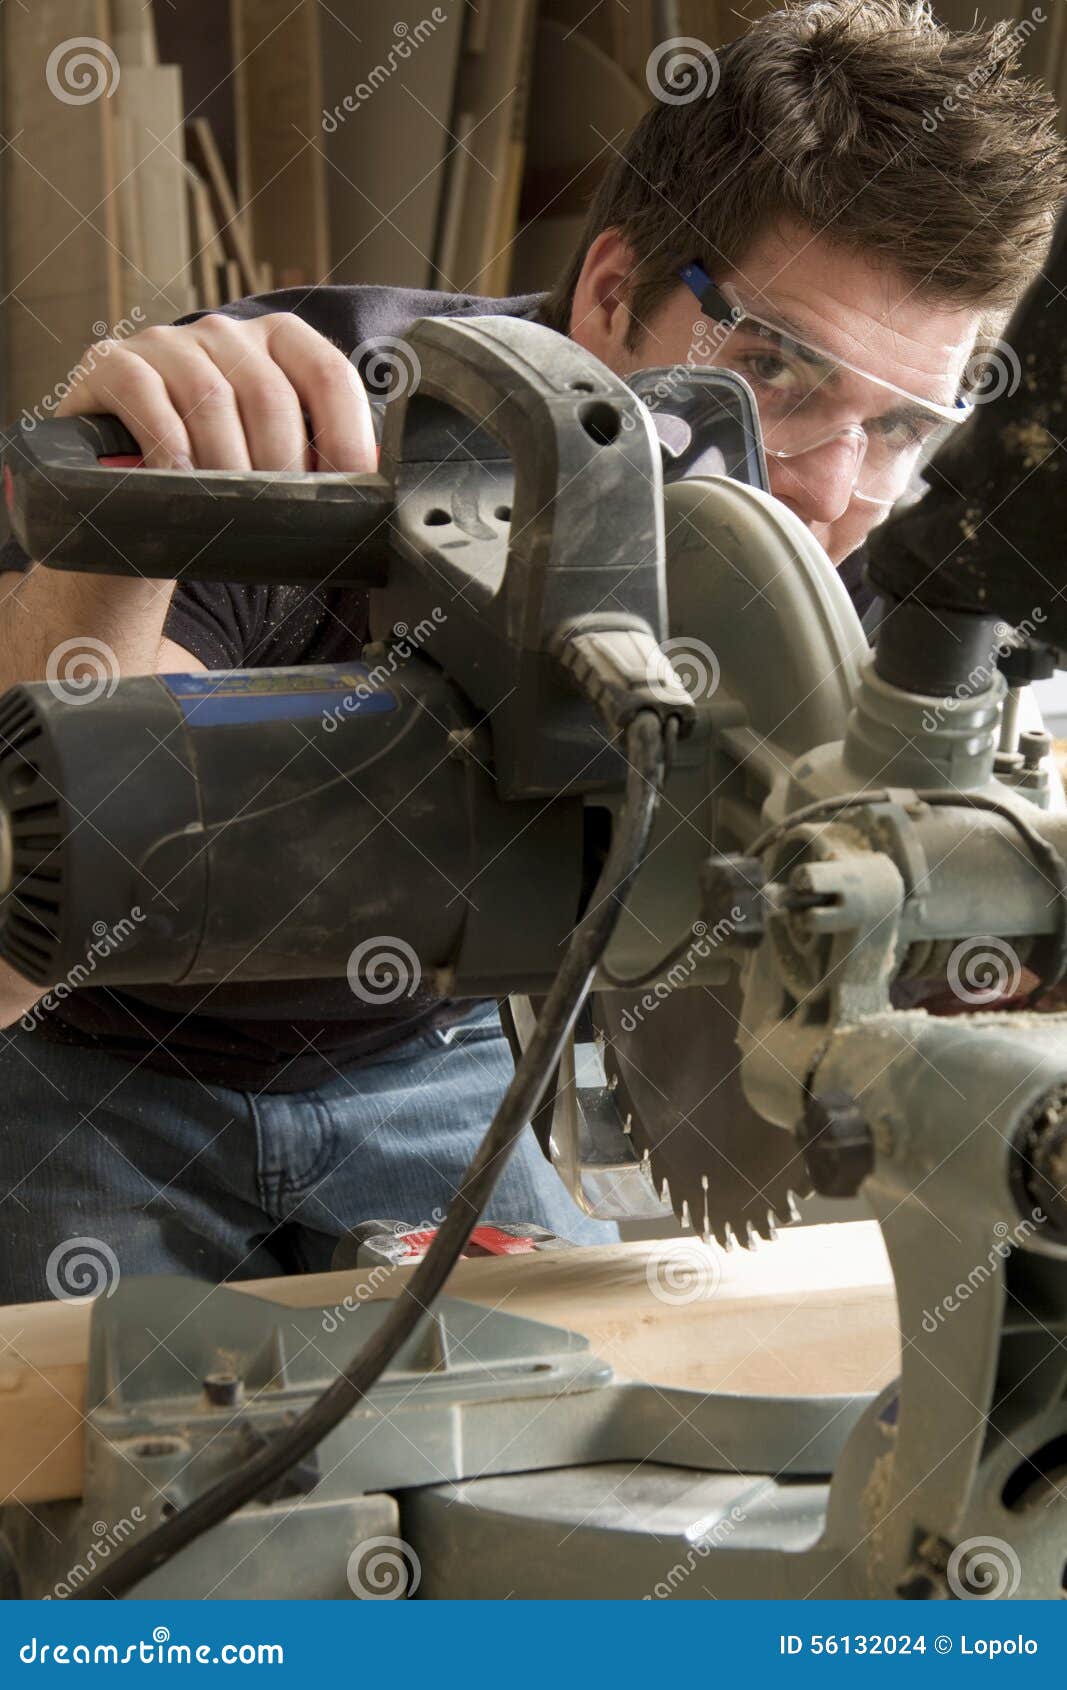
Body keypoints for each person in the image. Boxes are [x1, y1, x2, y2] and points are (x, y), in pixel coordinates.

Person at [0, 0, 1062, 1301]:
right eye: (776, 378)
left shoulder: (883, 549)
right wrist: (118, 539)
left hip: (429, 1051)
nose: (835, 489)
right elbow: (18, 927)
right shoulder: (328, 417)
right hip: (93, 1054)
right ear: (613, 291)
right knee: (111, 1457)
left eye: (902, 427)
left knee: (586, 1421)